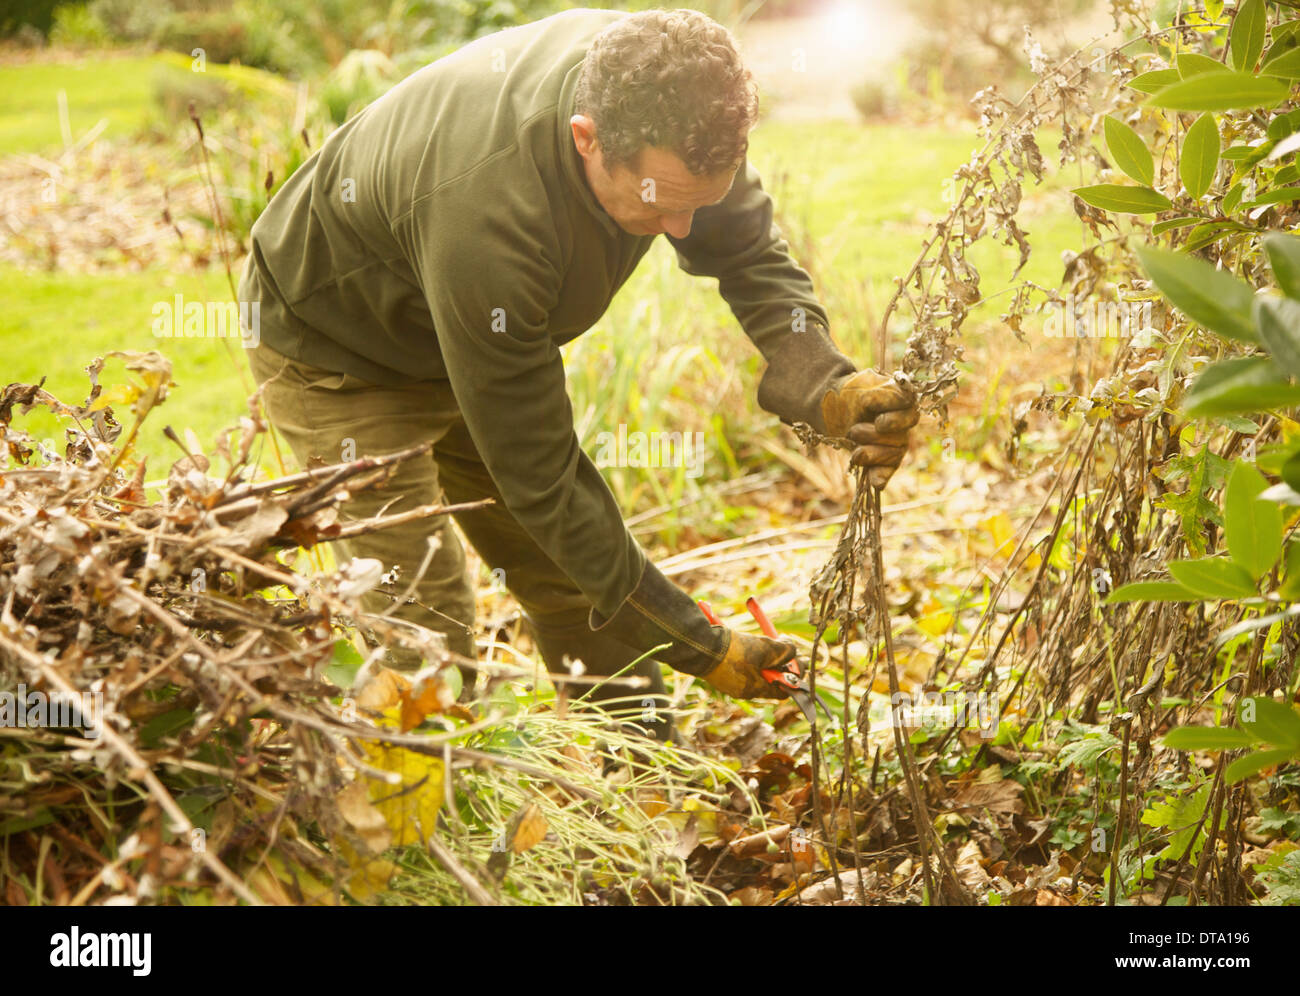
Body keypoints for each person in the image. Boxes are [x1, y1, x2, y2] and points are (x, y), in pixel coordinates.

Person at [240, 7, 919, 741]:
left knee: (567, 574)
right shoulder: (492, 218)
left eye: (702, 201)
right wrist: (700, 643)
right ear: (585, 138)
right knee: (422, 631)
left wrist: (823, 380)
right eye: (663, 204)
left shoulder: (680, 104)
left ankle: (648, 778)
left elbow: (747, 252)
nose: (684, 232)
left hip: (476, 326)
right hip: (342, 345)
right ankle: (419, 838)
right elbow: (543, 478)